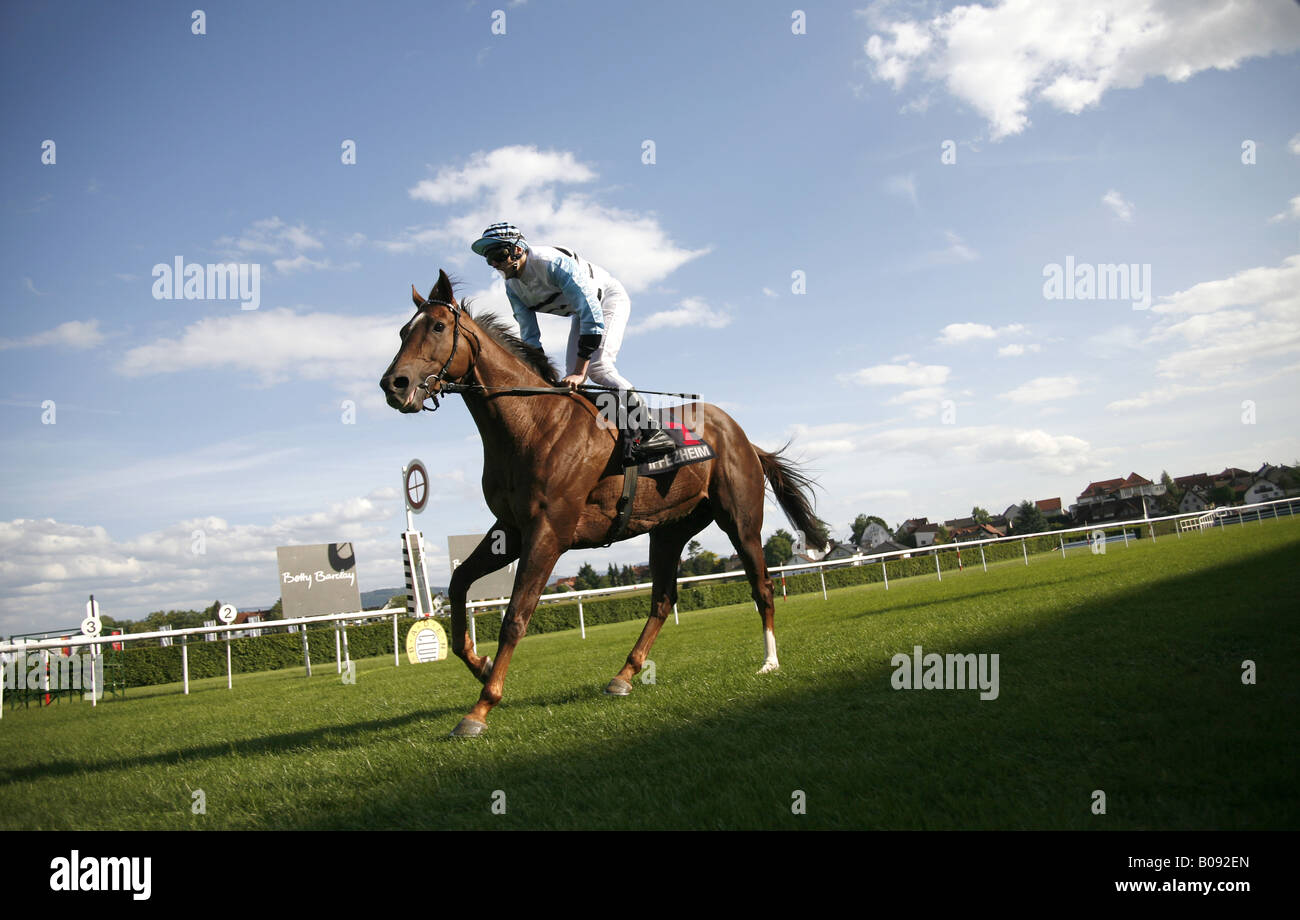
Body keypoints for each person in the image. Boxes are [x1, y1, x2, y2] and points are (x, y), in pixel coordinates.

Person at [471, 222, 677, 460]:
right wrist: (542, 375)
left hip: (607, 301)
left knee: (598, 369)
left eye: (498, 255)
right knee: (572, 381)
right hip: (583, 313)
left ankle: (653, 431)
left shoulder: (552, 263)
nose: (494, 263)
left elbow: (592, 315)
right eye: (489, 259)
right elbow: (530, 337)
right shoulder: (512, 287)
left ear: (518, 249)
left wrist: (581, 371)